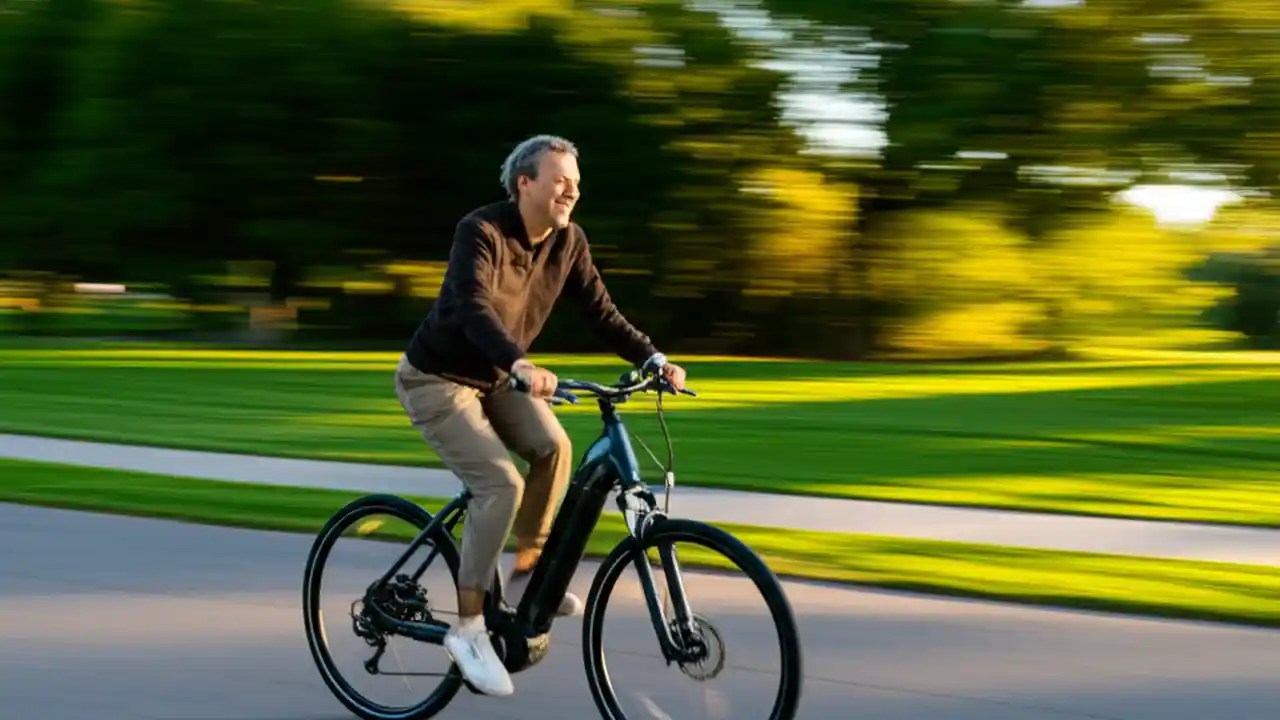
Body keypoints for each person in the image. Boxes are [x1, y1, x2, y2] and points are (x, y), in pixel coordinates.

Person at [393, 134, 687, 697]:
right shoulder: (479, 231)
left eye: (576, 181)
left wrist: (653, 356)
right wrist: (520, 363)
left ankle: (528, 570)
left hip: (497, 377)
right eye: (560, 178)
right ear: (524, 182)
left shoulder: (569, 242)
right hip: (436, 378)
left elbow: (601, 311)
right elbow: (471, 306)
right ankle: (469, 628)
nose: (571, 189)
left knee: (555, 449)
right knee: (498, 484)